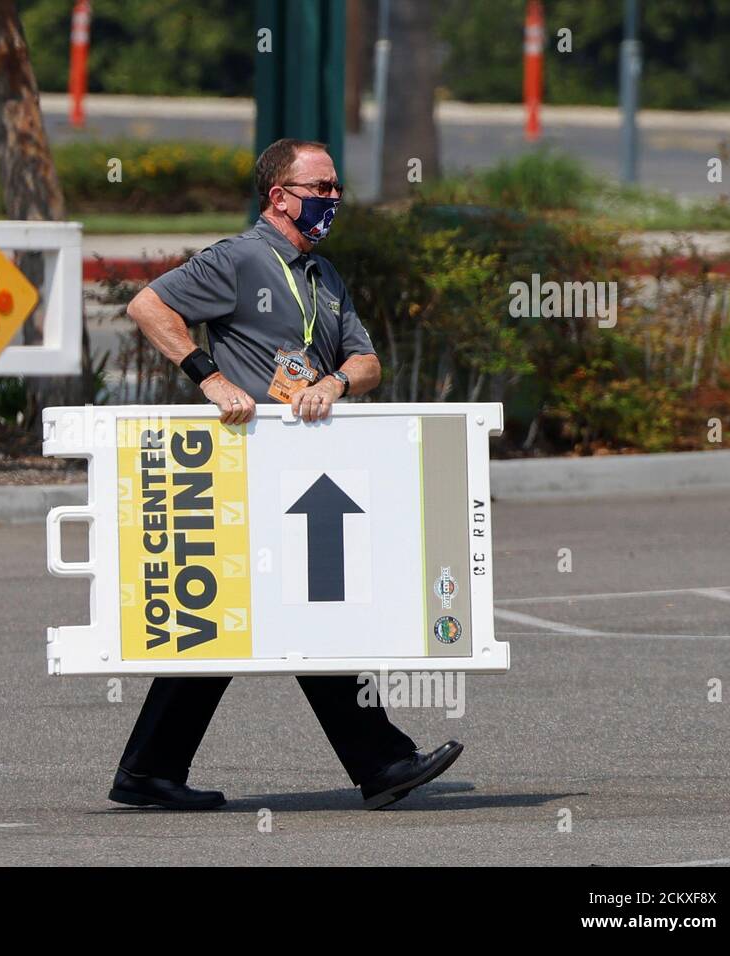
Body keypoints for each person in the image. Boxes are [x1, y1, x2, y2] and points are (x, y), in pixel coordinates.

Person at [108, 138, 463, 812]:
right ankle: (383, 761)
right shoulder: (239, 258)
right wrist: (207, 377)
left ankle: (148, 770)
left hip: (303, 474)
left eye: (335, 189)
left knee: (253, 620)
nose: (333, 199)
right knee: (299, 615)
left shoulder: (324, 277)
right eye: (321, 188)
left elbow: (368, 363)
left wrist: (332, 383)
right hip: (246, 471)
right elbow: (149, 307)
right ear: (279, 196)